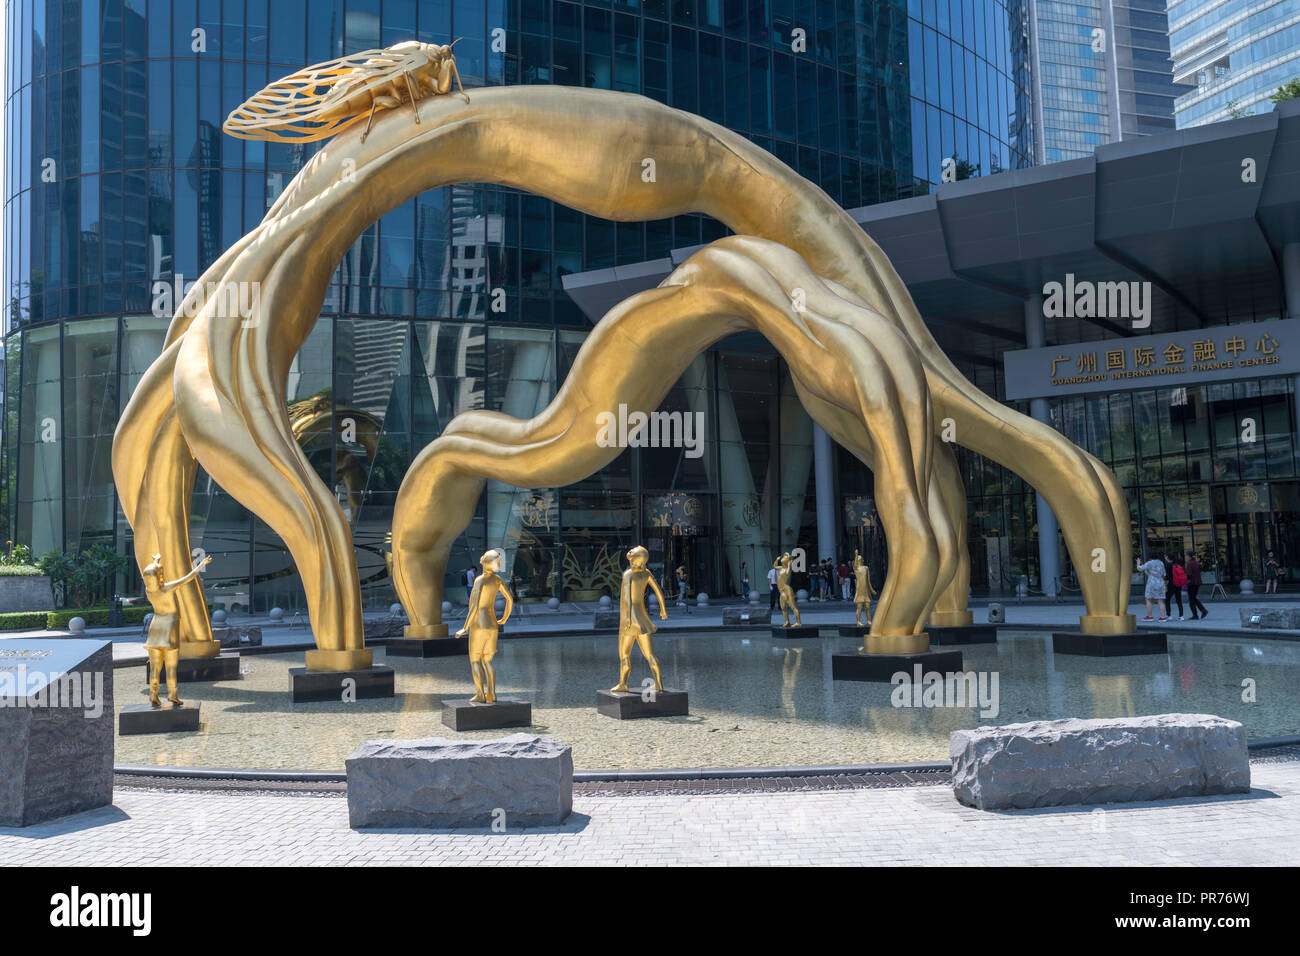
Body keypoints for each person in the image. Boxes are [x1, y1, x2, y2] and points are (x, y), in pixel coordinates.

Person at [140, 552, 212, 708]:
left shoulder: (149, 591)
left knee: (155, 667)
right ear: (159, 576)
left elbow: (152, 572)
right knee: (171, 666)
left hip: (155, 629)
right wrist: (201, 565)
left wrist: (156, 560)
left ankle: (153, 695)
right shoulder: (167, 587)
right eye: (161, 573)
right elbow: (189, 577)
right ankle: (173, 695)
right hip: (169, 629)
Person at [454, 549, 513, 703]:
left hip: (479, 624)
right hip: (493, 624)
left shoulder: (479, 580)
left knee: (474, 660)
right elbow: (510, 599)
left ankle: (480, 694)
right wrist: (504, 618)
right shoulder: (497, 580)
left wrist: (465, 628)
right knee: (488, 661)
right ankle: (492, 694)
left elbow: (474, 607)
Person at [611, 545, 668, 693]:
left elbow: (627, 598)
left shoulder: (628, 574)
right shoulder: (646, 573)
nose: (630, 551)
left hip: (628, 620)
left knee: (624, 655)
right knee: (650, 654)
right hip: (642, 619)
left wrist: (628, 620)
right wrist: (663, 609)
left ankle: (623, 684)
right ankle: (659, 684)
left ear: (636, 558)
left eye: (633, 551)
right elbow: (659, 592)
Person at [773, 552, 802, 627]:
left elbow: (787, 573)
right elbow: (775, 566)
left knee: (793, 606)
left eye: (785, 557)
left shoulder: (787, 569)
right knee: (783, 607)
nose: (783, 558)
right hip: (781, 590)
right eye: (783, 557)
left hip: (786, 589)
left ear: (788, 560)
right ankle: (787, 621)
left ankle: (798, 622)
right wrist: (776, 560)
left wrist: (789, 564)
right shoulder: (781, 568)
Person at [1137, 555, 1167, 622]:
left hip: (1152, 582)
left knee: (1148, 599)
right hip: (1160, 582)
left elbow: (1140, 568)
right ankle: (1163, 617)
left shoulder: (1150, 563)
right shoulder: (1161, 563)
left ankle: (1150, 616)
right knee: (1160, 600)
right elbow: (1164, 574)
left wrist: (1138, 563)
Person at [1185, 550, 1208, 620]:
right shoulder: (1196, 562)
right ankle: (1203, 610)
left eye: (1186, 556)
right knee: (1194, 598)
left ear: (1189, 556)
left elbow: (1189, 574)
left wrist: (1184, 577)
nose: (1186, 557)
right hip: (1197, 582)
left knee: (1191, 600)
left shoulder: (1189, 563)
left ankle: (1195, 615)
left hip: (1191, 583)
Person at [1166, 552, 1186, 621]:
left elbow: (1167, 577)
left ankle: (1169, 615)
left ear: (1168, 557)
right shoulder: (1177, 565)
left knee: (1167, 599)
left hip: (1171, 584)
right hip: (1178, 584)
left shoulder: (1168, 565)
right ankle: (1181, 616)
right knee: (1179, 600)